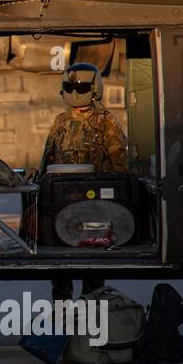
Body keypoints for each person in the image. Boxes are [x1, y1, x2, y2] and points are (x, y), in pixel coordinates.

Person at [37, 63, 128, 301]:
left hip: (95, 202)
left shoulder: (106, 122)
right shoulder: (60, 121)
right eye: (69, 87)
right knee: (60, 261)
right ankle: (63, 313)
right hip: (62, 202)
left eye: (81, 87)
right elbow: (47, 156)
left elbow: (120, 161)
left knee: (93, 259)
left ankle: (91, 310)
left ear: (94, 89)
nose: (75, 92)